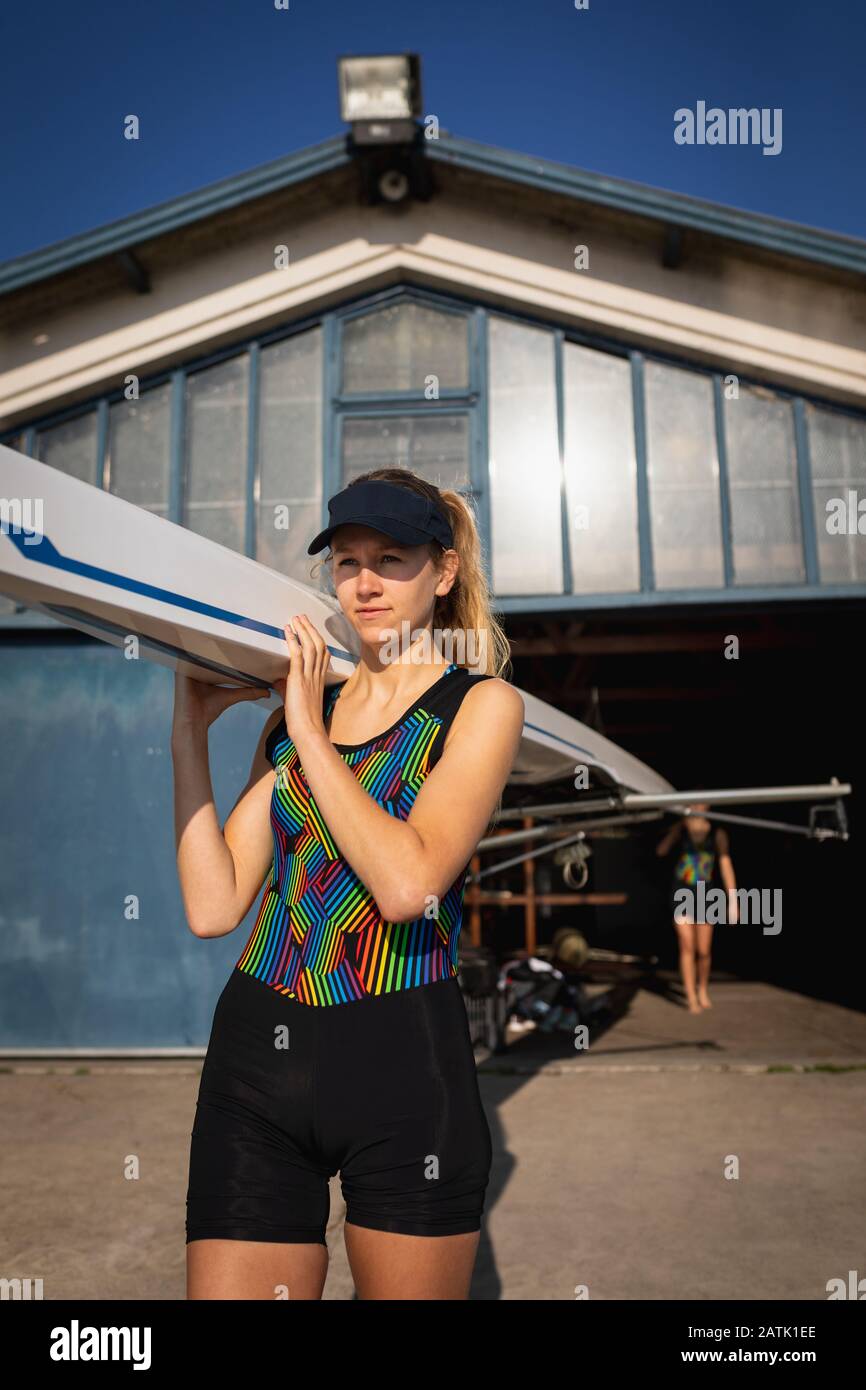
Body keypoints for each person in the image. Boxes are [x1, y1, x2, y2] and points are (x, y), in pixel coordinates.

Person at [173, 468, 525, 1300]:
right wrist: (188, 730)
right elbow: (214, 904)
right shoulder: (297, 717)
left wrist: (307, 728)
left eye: (391, 559)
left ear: (443, 571)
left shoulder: (479, 708)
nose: (365, 583)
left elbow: (407, 884)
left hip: (405, 1068)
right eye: (347, 562)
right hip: (256, 1063)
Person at [655, 803, 737, 1014]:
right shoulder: (681, 830)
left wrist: (733, 900)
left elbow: (725, 865)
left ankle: (702, 988)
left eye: (700, 803)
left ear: (707, 806)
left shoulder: (717, 833)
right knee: (687, 946)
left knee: (704, 951)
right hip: (681, 891)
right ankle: (690, 995)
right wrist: (676, 829)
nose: (697, 807)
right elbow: (661, 851)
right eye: (693, 803)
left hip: (705, 893)